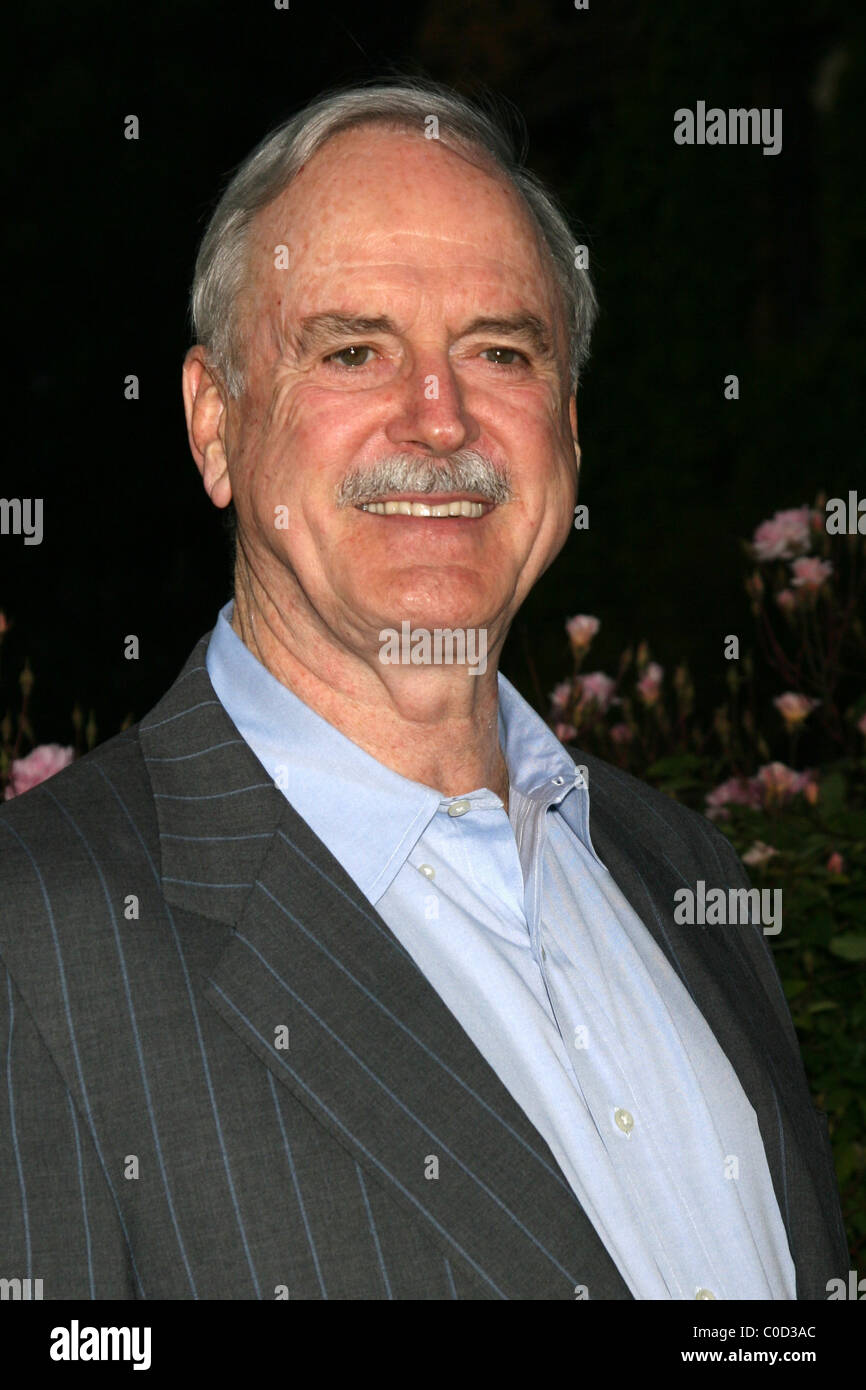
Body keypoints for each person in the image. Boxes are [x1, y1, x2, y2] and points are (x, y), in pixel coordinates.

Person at [0, 78, 847, 1300]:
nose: (437, 419)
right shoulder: (39, 939)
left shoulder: (684, 872)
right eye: (353, 349)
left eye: (498, 350)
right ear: (215, 425)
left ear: (565, 422)